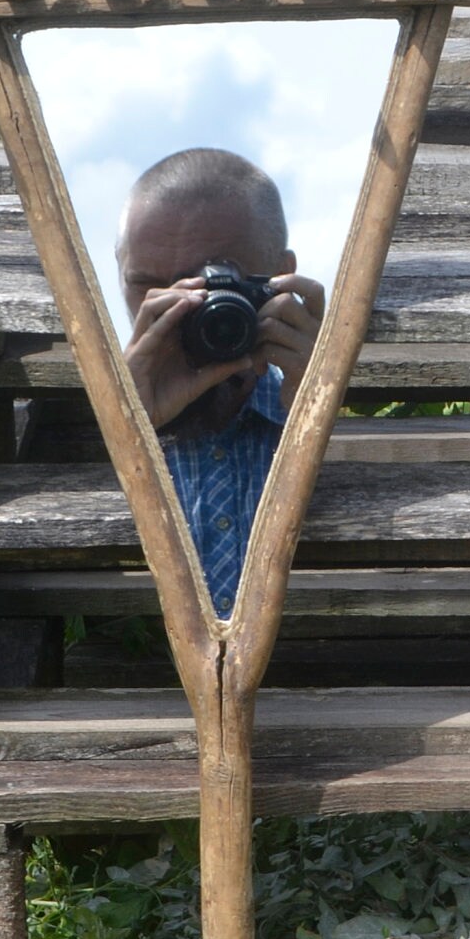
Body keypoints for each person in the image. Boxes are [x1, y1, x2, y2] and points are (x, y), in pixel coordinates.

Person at [117, 147, 325, 615]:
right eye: (146, 284)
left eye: (210, 284)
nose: (177, 306)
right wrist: (125, 425)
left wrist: (316, 411)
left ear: (281, 276)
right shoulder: (69, 430)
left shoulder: (319, 408)